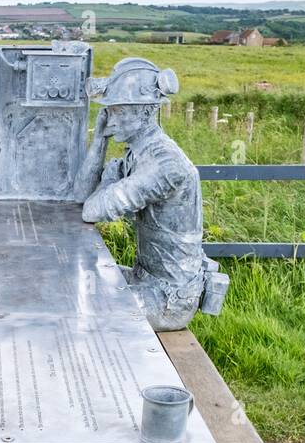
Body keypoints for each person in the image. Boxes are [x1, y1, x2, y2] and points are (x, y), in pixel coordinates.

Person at [73, 59, 227, 331]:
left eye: (119, 110)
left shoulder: (164, 166)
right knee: (75, 282)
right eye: (109, 110)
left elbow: (91, 210)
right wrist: (99, 141)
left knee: (84, 307)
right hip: (143, 279)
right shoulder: (138, 153)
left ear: (146, 112)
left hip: (168, 300)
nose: (111, 119)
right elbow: (80, 195)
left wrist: (108, 179)